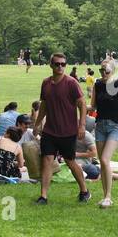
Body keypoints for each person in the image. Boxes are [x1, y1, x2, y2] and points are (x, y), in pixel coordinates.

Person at [33, 52, 90, 205]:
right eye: (57, 64)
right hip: (50, 131)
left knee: (70, 161)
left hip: (68, 131)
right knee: (47, 160)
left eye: (63, 64)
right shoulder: (46, 83)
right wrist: (38, 124)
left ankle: (84, 190)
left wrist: (82, 125)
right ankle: (43, 196)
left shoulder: (71, 83)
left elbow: (82, 104)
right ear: (51, 65)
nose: (60, 67)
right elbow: (44, 105)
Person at [90, 59, 118, 208]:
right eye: (101, 70)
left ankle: (108, 197)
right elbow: (92, 106)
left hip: (114, 127)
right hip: (100, 127)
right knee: (103, 164)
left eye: (107, 71)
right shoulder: (97, 85)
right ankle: (105, 196)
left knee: (104, 160)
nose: (103, 73)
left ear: (113, 71)